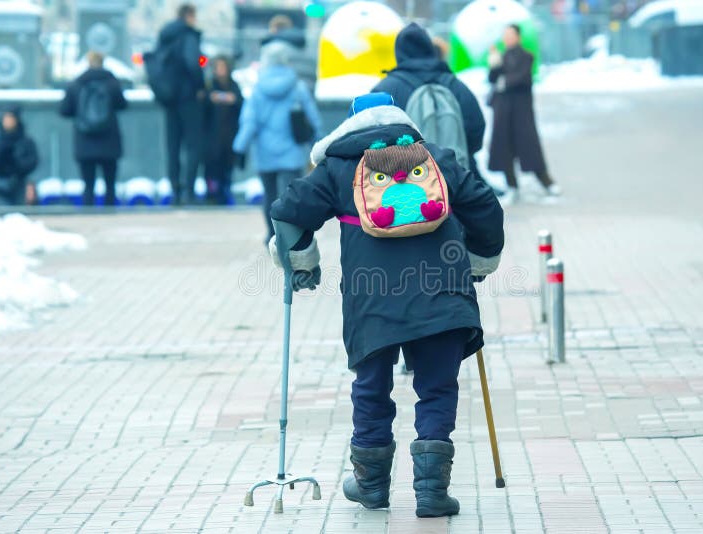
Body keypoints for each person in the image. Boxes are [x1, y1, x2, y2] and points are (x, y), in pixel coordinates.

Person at [269, 94, 504, 517]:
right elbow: (485, 205)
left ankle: (371, 486)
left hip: (371, 295)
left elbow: (288, 212)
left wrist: (303, 263)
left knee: (372, 386)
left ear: (351, 124)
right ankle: (432, 492)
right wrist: (479, 260)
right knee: (437, 386)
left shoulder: (338, 167)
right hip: (442, 289)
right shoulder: (435, 159)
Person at [232, 41, 322, 244]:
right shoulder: (297, 87)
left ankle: (272, 236)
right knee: (292, 196)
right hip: (292, 152)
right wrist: (318, 145)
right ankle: (291, 235)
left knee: (270, 195)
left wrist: (239, 148)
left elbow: (249, 123)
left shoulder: (258, 90)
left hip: (265, 153)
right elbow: (313, 119)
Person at [372, 23, 485, 176]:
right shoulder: (456, 86)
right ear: (429, 48)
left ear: (398, 52)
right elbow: (476, 128)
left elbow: (371, 137)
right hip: (454, 178)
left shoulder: (385, 90)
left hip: (401, 181)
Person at [488, 24, 560, 201]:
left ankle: (547, 182)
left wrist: (504, 82)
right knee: (504, 147)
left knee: (529, 145)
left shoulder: (526, 56)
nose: (507, 37)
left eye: (511, 34)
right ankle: (511, 185)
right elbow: (492, 79)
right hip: (503, 109)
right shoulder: (502, 56)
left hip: (521, 109)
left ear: (518, 37)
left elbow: (522, 77)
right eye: (505, 34)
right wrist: (494, 63)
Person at [60, 51, 127, 206]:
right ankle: (110, 213)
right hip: (109, 140)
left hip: (85, 140)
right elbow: (123, 105)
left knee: (88, 185)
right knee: (110, 185)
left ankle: (88, 213)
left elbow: (64, 110)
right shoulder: (112, 83)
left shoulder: (76, 84)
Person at [156, 3, 205, 205]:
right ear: (189, 16)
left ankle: (175, 190)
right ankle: (189, 191)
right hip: (188, 97)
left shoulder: (165, 36)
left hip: (169, 98)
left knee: (173, 146)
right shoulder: (188, 35)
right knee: (192, 145)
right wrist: (200, 85)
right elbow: (193, 62)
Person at [204, 56, 242, 205]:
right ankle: (212, 194)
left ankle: (225, 192)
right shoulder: (210, 85)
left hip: (229, 134)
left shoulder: (233, 85)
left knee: (228, 166)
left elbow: (239, 102)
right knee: (212, 167)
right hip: (213, 136)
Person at [0, 105, 38, 206]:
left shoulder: (25, 140)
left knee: (20, 212)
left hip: (20, 182)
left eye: (11, 118)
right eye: (6, 118)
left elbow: (32, 161)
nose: (8, 122)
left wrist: (18, 163)